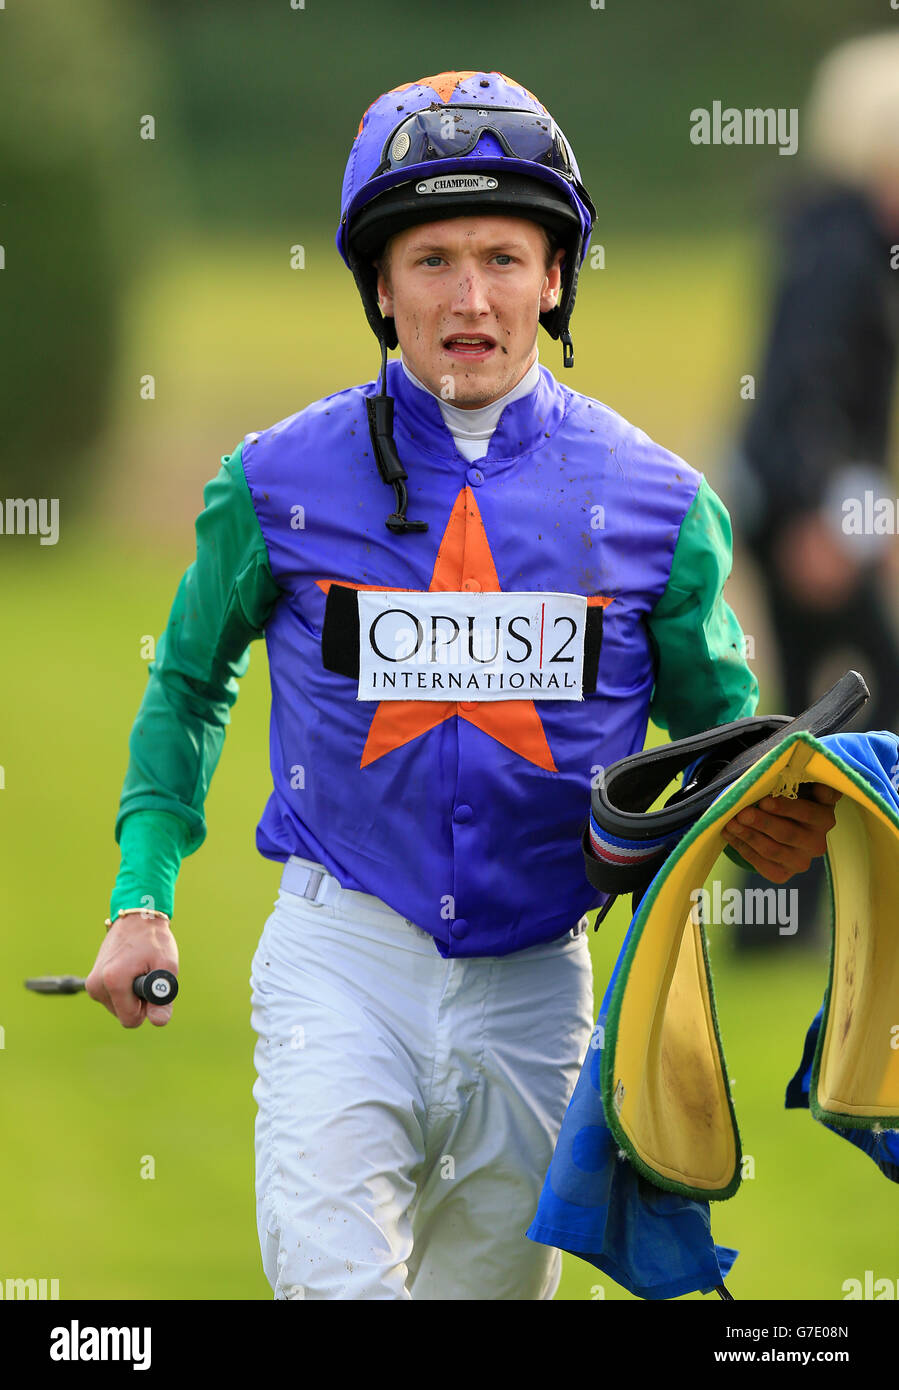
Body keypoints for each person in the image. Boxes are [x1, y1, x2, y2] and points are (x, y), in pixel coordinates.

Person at [86, 70, 838, 1300]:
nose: (470, 298)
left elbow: (727, 753)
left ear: (556, 276)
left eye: (503, 254)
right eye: (431, 258)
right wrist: (140, 894)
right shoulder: (270, 480)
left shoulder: (661, 506)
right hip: (341, 960)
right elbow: (184, 683)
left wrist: (774, 827)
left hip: (543, 984)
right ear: (378, 286)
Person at [727, 32, 899, 947]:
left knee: (806, 707)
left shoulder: (849, 235)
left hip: (803, 503)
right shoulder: (842, 248)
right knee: (862, 695)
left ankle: (775, 922)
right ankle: (799, 914)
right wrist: (830, 520)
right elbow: (805, 394)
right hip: (802, 510)